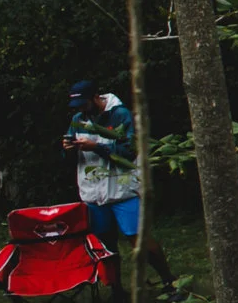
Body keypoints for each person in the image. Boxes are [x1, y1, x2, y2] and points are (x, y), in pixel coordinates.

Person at [63, 80, 174, 285]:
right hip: (94, 194)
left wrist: (96, 147)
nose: (80, 110)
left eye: (83, 104)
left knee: (138, 239)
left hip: (123, 189)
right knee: (106, 246)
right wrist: (68, 150)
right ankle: (117, 294)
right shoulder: (78, 119)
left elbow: (129, 153)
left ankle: (168, 281)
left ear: (96, 97)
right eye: (76, 107)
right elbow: (70, 160)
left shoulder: (121, 115)